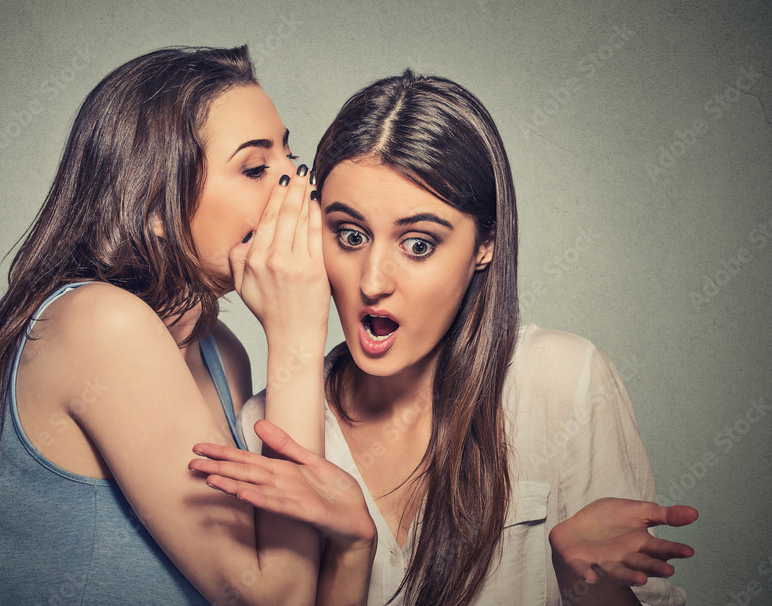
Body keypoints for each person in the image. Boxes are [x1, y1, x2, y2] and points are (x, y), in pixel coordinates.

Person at [190, 71, 698, 605]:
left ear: (485, 244)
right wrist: (350, 549)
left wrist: (595, 586)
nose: (373, 281)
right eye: (351, 235)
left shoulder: (564, 383)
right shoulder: (267, 427)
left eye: (418, 244)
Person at [0, 45, 376, 605]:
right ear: (153, 204)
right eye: (256, 168)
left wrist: (355, 545)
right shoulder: (99, 324)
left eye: (291, 158)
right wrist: (296, 332)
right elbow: (277, 598)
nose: (300, 187)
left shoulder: (219, 350)